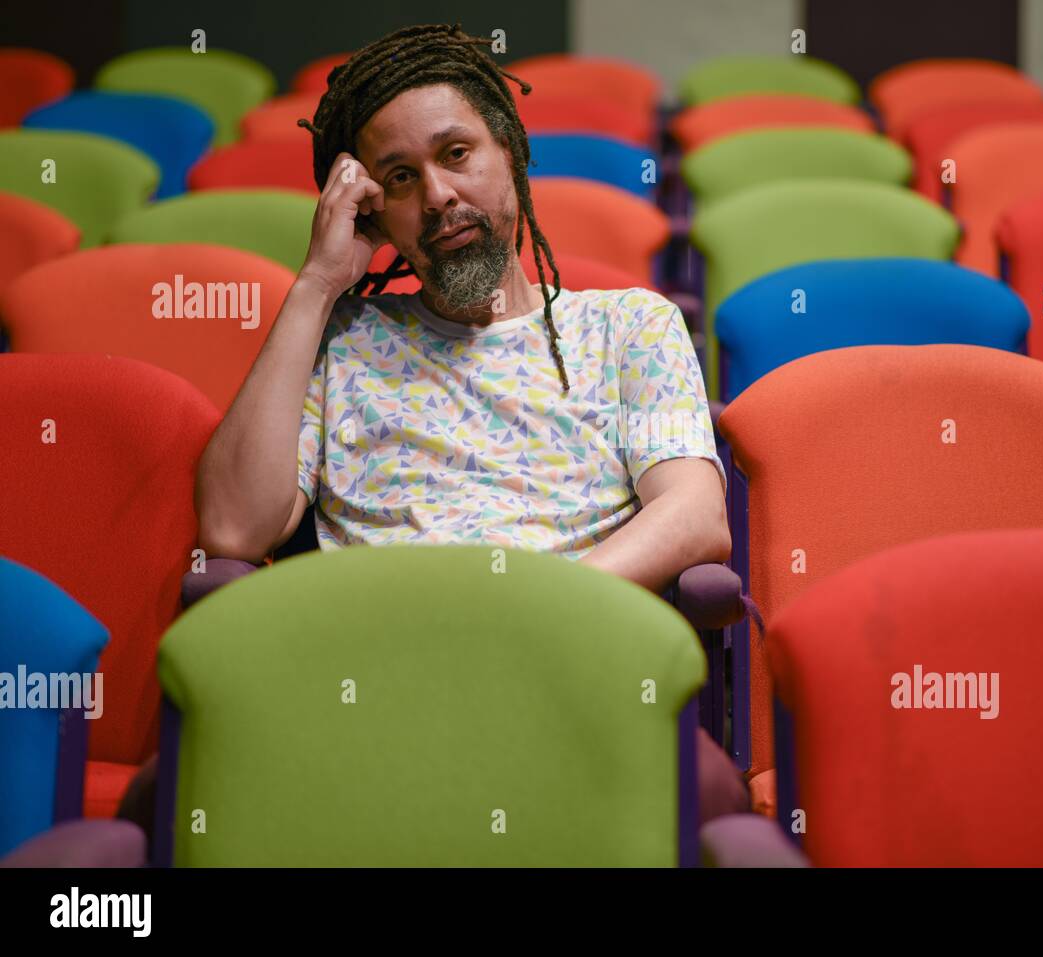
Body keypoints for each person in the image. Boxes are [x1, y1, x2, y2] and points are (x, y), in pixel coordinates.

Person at [186, 23, 747, 830]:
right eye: (400, 178)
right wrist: (315, 286)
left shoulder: (632, 327)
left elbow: (695, 516)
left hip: (573, 670)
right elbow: (232, 524)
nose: (439, 196)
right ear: (375, 214)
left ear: (509, 154)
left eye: (456, 155)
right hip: (379, 689)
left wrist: (529, 611)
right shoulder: (343, 340)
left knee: (710, 801)